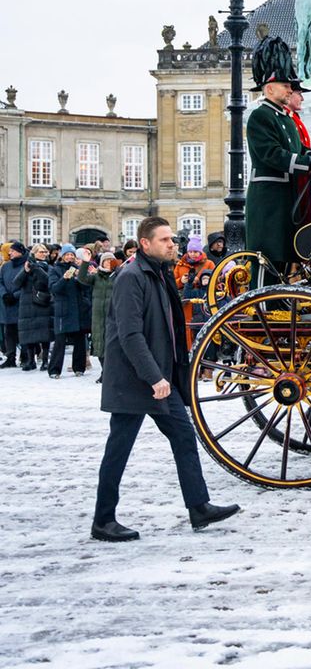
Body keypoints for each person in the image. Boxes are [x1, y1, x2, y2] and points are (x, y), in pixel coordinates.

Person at [91, 216, 240, 542]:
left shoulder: (157, 273)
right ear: (145, 244)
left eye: (172, 239)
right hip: (137, 379)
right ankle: (103, 520)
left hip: (160, 379)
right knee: (119, 449)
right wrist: (154, 376)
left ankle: (199, 506)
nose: (173, 244)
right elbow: (129, 335)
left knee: (185, 437)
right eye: (165, 240)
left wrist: (169, 375)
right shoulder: (131, 277)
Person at [245, 36, 311, 279]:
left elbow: (298, 149)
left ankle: (279, 304)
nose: (291, 89)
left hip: (287, 198)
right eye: (285, 84)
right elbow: (271, 155)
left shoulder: (285, 119)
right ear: (269, 88)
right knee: (267, 258)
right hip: (270, 200)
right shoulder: (261, 116)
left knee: (284, 259)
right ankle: (261, 309)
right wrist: (307, 162)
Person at [47, 243, 89, 378]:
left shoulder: (78, 269)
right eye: (67, 254)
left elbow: (86, 288)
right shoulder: (55, 270)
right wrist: (64, 278)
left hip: (78, 309)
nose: (70, 257)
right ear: (62, 256)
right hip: (63, 310)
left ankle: (79, 368)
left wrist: (80, 277)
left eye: (72, 254)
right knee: (60, 342)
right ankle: (54, 370)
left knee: (80, 341)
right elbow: (54, 289)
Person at [79, 251, 119, 382]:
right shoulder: (97, 276)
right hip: (98, 316)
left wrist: (118, 271)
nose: (108, 263)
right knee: (99, 345)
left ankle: (110, 372)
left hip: (113, 315)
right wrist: (85, 262)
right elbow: (82, 278)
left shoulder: (118, 275)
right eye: (105, 260)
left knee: (111, 346)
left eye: (110, 260)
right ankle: (104, 371)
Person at [14, 245, 53, 370]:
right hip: (27, 303)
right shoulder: (26, 266)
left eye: (45, 252)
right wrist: (25, 271)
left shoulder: (48, 266)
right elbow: (16, 283)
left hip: (42, 302)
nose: (44, 254)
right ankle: (31, 360)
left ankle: (45, 360)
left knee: (45, 333)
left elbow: (47, 281)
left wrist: (36, 268)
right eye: (41, 252)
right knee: (29, 333)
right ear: (34, 253)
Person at [285, 81, 311, 231]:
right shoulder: (287, 119)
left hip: (303, 176)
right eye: (299, 94)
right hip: (296, 177)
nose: (302, 98)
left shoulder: (294, 119)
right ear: (289, 95)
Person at [0, 241, 27, 367]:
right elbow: (0, 282)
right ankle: (10, 357)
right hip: (7, 303)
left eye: (13, 251)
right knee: (9, 332)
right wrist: (4, 294)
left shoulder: (27, 265)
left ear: (20, 252)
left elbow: (28, 285)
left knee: (22, 332)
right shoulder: (6, 266)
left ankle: (25, 356)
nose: (10, 253)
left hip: (22, 303)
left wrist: (15, 295)